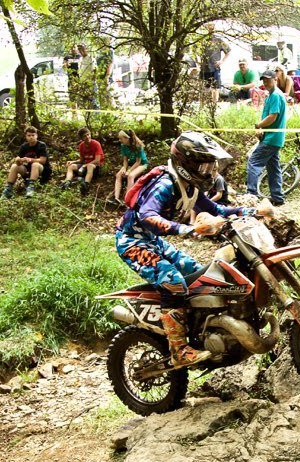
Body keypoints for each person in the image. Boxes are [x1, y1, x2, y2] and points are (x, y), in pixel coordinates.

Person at [115, 132, 273, 367]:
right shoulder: (166, 184)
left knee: (199, 274)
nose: (209, 171)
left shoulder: (189, 186)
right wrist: (187, 229)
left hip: (153, 241)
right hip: (132, 242)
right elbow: (147, 215)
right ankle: (179, 349)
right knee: (172, 280)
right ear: (187, 164)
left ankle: (199, 328)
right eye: (204, 165)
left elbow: (217, 210)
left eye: (211, 166)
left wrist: (251, 212)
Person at [246, 69, 288, 205]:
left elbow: (272, 117)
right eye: (264, 80)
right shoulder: (271, 95)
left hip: (272, 138)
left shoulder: (276, 95)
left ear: (275, 80)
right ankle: (277, 198)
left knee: (253, 162)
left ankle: (251, 194)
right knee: (273, 167)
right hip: (273, 137)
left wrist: (259, 125)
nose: (265, 83)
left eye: (268, 80)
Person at [2, 126, 51, 198]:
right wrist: (18, 160)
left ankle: (31, 188)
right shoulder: (24, 146)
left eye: (33, 135)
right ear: (26, 136)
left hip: (42, 172)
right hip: (28, 172)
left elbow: (43, 161)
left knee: (35, 164)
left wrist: (29, 159)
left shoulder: (41, 145)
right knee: (14, 166)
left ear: (36, 136)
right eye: (29, 135)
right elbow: (19, 162)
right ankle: (8, 189)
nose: (31, 137)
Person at [110, 129, 149, 207]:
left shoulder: (138, 146)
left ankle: (127, 199)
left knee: (130, 176)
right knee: (118, 175)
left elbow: (138, 162)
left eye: (121, 138)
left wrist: (129, 170)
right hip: (131, 163)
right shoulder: (123, 146)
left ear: (127, 138)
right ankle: (116, 198)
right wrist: (124, 168)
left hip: (141, 164)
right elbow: (125, 160)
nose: (120, 140)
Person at [63, 127, 103, 195]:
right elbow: (82, 160)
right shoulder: (81, 145)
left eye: (88, 134)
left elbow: (97, 160)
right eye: (84, 136)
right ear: (82, 138)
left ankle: (86, 184)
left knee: (90, 166)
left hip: (95, 167)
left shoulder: (96, 144)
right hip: (85, 166)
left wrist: (87, 165)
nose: (87, 137)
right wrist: (73, 162)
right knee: (71, 166)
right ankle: (67, 182)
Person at [201, 25, 229, 105]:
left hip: (215, 67)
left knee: (215, 87)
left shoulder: (218, 41)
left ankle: (214, 106)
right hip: (205, 67)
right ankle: (202, 106)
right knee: (204, 88)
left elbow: (228, 51)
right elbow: (196, 52)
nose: (211, 30)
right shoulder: (203, 40)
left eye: (212, 28)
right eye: (209, 28)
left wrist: (222, 61)